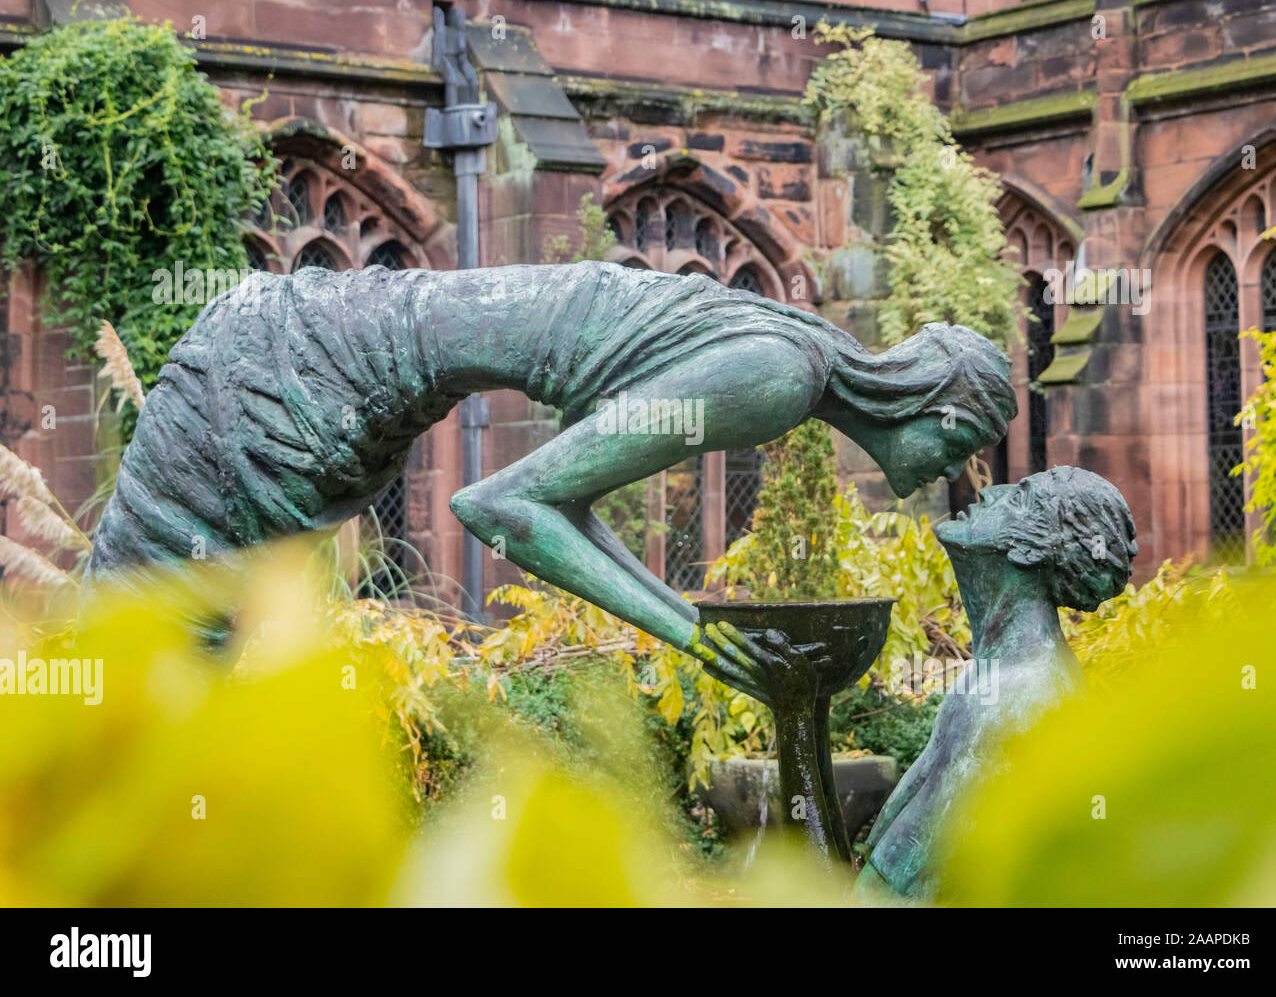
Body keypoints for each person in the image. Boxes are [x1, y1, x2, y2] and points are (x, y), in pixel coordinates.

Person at [90, 261, 1016, 698]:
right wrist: (691, 632)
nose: (954, 470)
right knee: (143, 673)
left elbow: (555, 500)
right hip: (295, 377)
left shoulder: (787, 360)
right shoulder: (778, 379)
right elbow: (504, 505)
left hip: (324, 373)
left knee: (164, 680)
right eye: (965, 442)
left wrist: (686, 624)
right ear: (933, 406)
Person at [860, 466, 1139, 900]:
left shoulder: (1017, 698)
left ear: (1032, 551)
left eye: (1021, 498)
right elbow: (873, 856)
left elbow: (885, 890)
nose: (994, 492)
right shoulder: (997, 674)